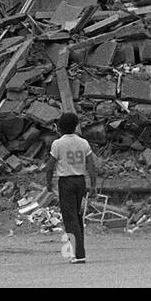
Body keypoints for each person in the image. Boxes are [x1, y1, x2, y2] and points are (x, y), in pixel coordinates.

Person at [44, 112, 98, 263]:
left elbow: (49, 167)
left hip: (66, 183)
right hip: (80, 181)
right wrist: (93, 185)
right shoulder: (83, 143)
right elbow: (91, 166)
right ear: (76, 126)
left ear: (60, 127)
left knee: (70, 218)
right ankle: (80, 251)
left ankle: (77, 254)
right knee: (78, 217)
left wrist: (49, 184)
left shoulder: (58, 144)